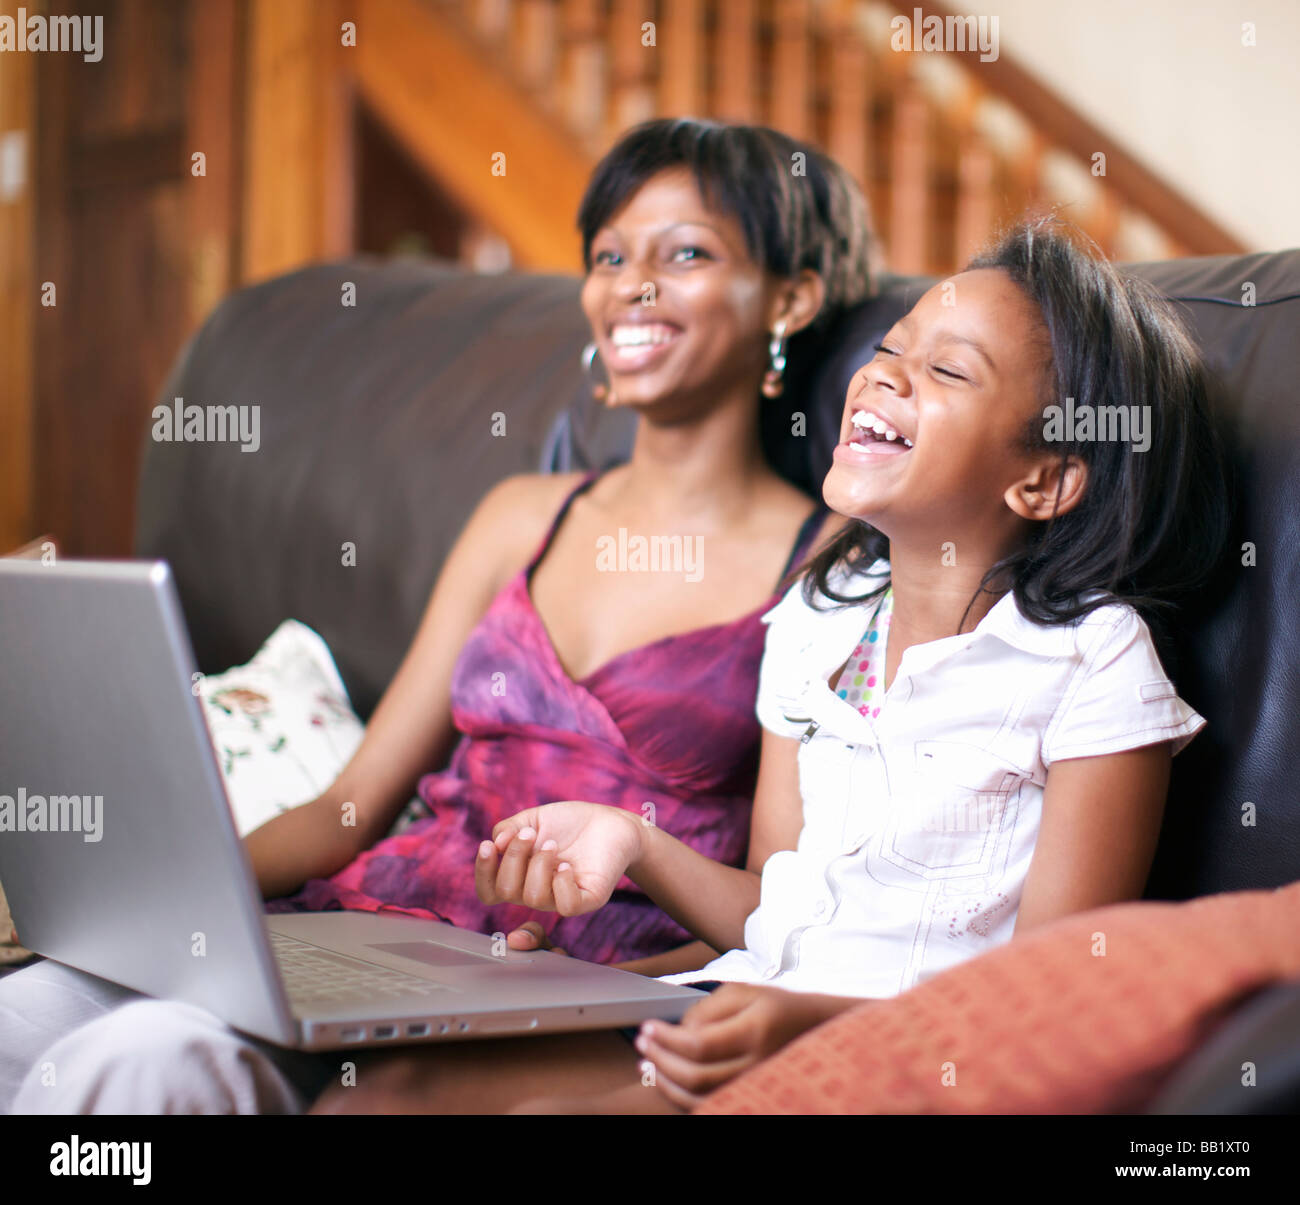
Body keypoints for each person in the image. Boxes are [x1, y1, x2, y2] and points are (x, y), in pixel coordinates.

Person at [0, 118, 876, 1114]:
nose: (632, 285)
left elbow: (775, 898)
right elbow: (353, 803)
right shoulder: (520, 514)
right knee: (20, 1019)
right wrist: (174, 903)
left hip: (569, 978)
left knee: (145, 1061)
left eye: (684, 253)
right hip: (373, 924)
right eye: (608, 256)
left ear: (791, 296)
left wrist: (626, 977)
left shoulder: (828, 566)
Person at [309, 214, 1230, 1114]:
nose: (884, 376)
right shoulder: (817, 617)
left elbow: (1046, 1000)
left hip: (896, 1059)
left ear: (1043, 480)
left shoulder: (1092, 660)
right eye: (893, 348)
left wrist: (802, 1021)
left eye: (947, 369)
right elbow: (774, 908)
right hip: (735, 1001)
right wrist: (630, 844)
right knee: (387, 1094)